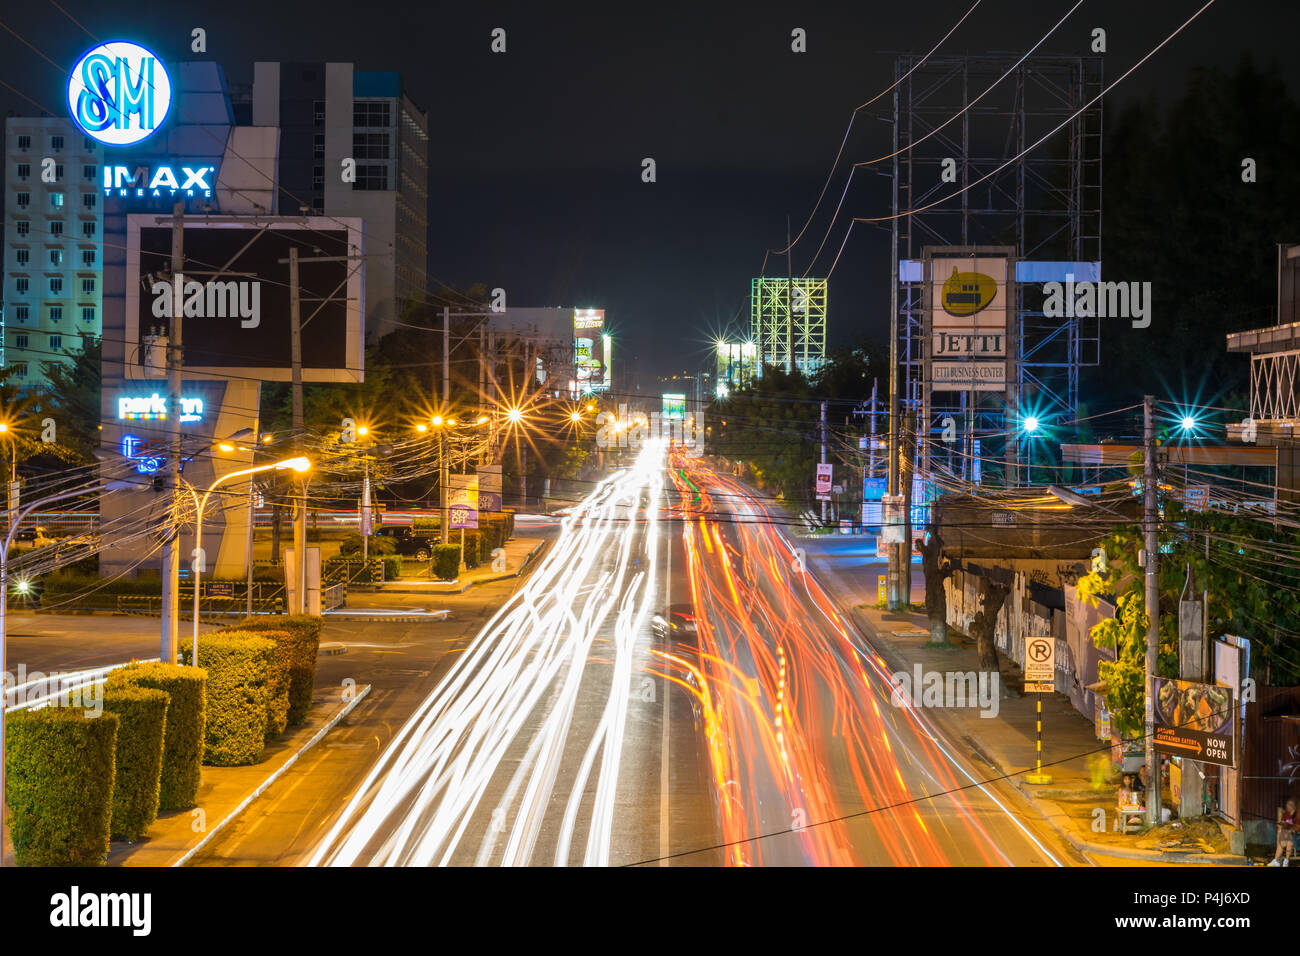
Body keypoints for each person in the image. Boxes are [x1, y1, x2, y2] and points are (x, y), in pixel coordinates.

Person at [1269, 797, 1297, 867]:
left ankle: (1284, 861)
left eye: (1290, 804)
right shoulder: (1286, 814)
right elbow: (1282, 823)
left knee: (1288, 840)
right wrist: (1281, 825)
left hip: (1295, 834)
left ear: (1294, 806)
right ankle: (1277, 860)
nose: (1288, 806)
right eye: (1287, 804)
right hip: (1286, 833)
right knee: (1282, 836)